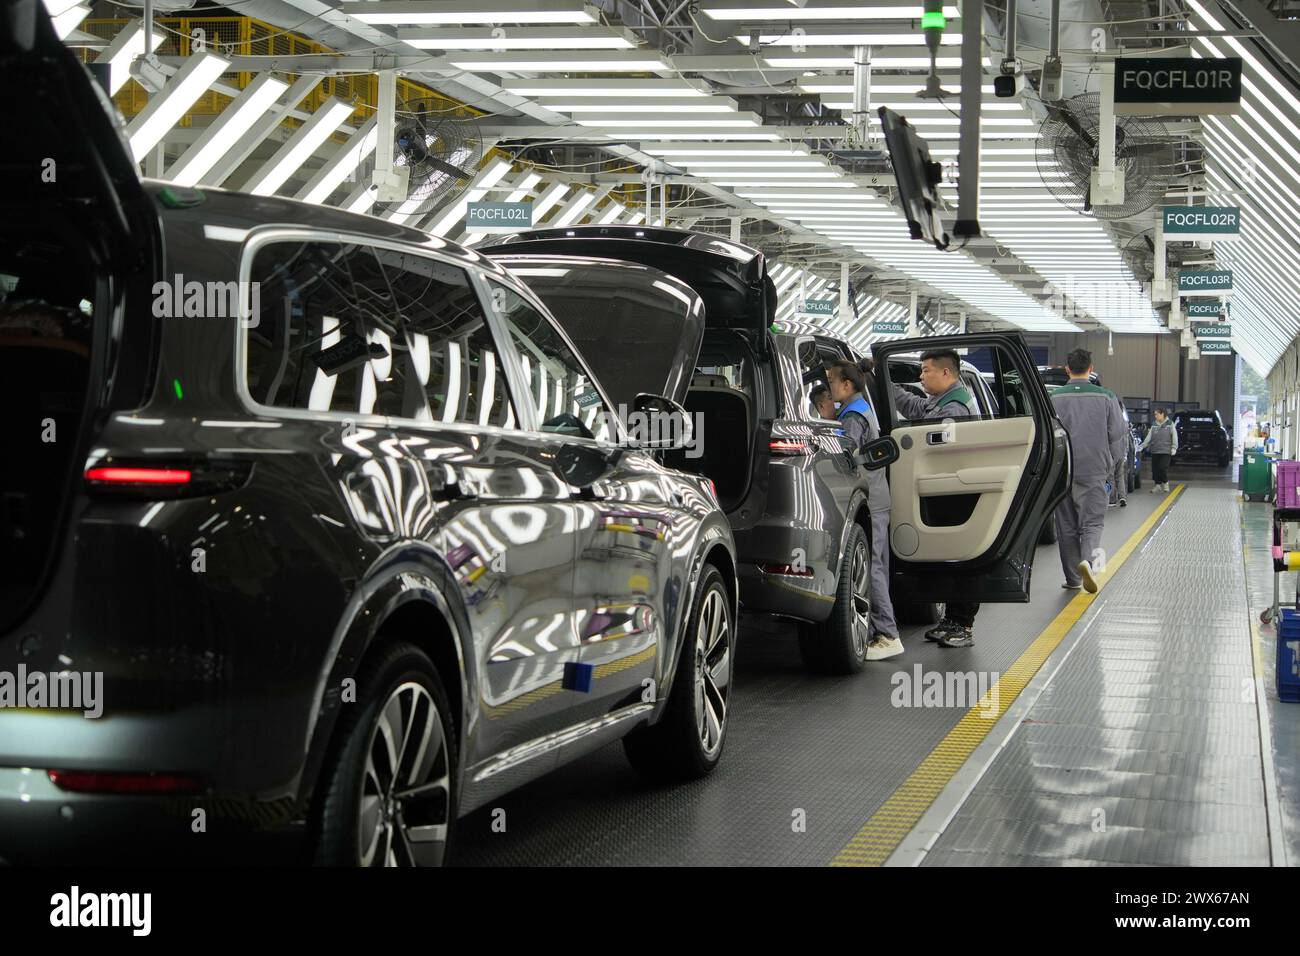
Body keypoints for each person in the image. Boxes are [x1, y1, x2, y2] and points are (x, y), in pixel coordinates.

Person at [888, 349, 981, 648]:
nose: (921, 376)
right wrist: (881, 382)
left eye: (926, 370)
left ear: (945, 373)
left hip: (956, 491)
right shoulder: (942, 400)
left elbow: (932, 439)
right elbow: (916, 406)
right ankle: (952, 620)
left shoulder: (955, 408)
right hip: (946, 487)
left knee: (962, 559)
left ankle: (963, 625)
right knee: (950, 558)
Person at [825, 359, 901, 660]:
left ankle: (887, 634)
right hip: (879, 498)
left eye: (831, 382)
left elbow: (844, 458)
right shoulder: (860, 408)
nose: (829, 389)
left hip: (871, 498)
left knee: (874, 568)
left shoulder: (853, 417)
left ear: (847, 385)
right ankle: (876, 630)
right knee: (875, 565)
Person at [1050, 348, 1127, 593]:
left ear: (1067, 369)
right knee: (1092, 523)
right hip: (1095, 470)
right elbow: (1117, 436)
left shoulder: (1053, 398)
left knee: (1066, 526)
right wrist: (1112, 468)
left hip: (1063, 472)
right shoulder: (1106, 397)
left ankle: (1072, 578)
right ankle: (1089, 563)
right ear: (1091, 369)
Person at [1139, 407, 1178, 493]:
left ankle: (1165, 483)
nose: (1155, 416)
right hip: (1155, 450)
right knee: (1155, 469)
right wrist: (1143, 445)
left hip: (1166, 451)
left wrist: (1174, 447)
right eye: (1155, 414)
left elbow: (1174, 436)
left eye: (1157, 414)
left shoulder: (1170, 424)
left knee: (1162, 468)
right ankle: (1157, 485)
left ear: (1162, 414)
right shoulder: (1154, 425)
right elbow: (1149, 437)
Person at [1108, 397, 1129, 509]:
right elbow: (1126, 439)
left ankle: (1111, 500)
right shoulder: (1124, 422)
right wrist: (1125, 453)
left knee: (1110, 476)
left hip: (1111, 452)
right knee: (1120, 476)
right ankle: (1122, 497)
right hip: (1121, 452)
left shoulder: (1110, 420)